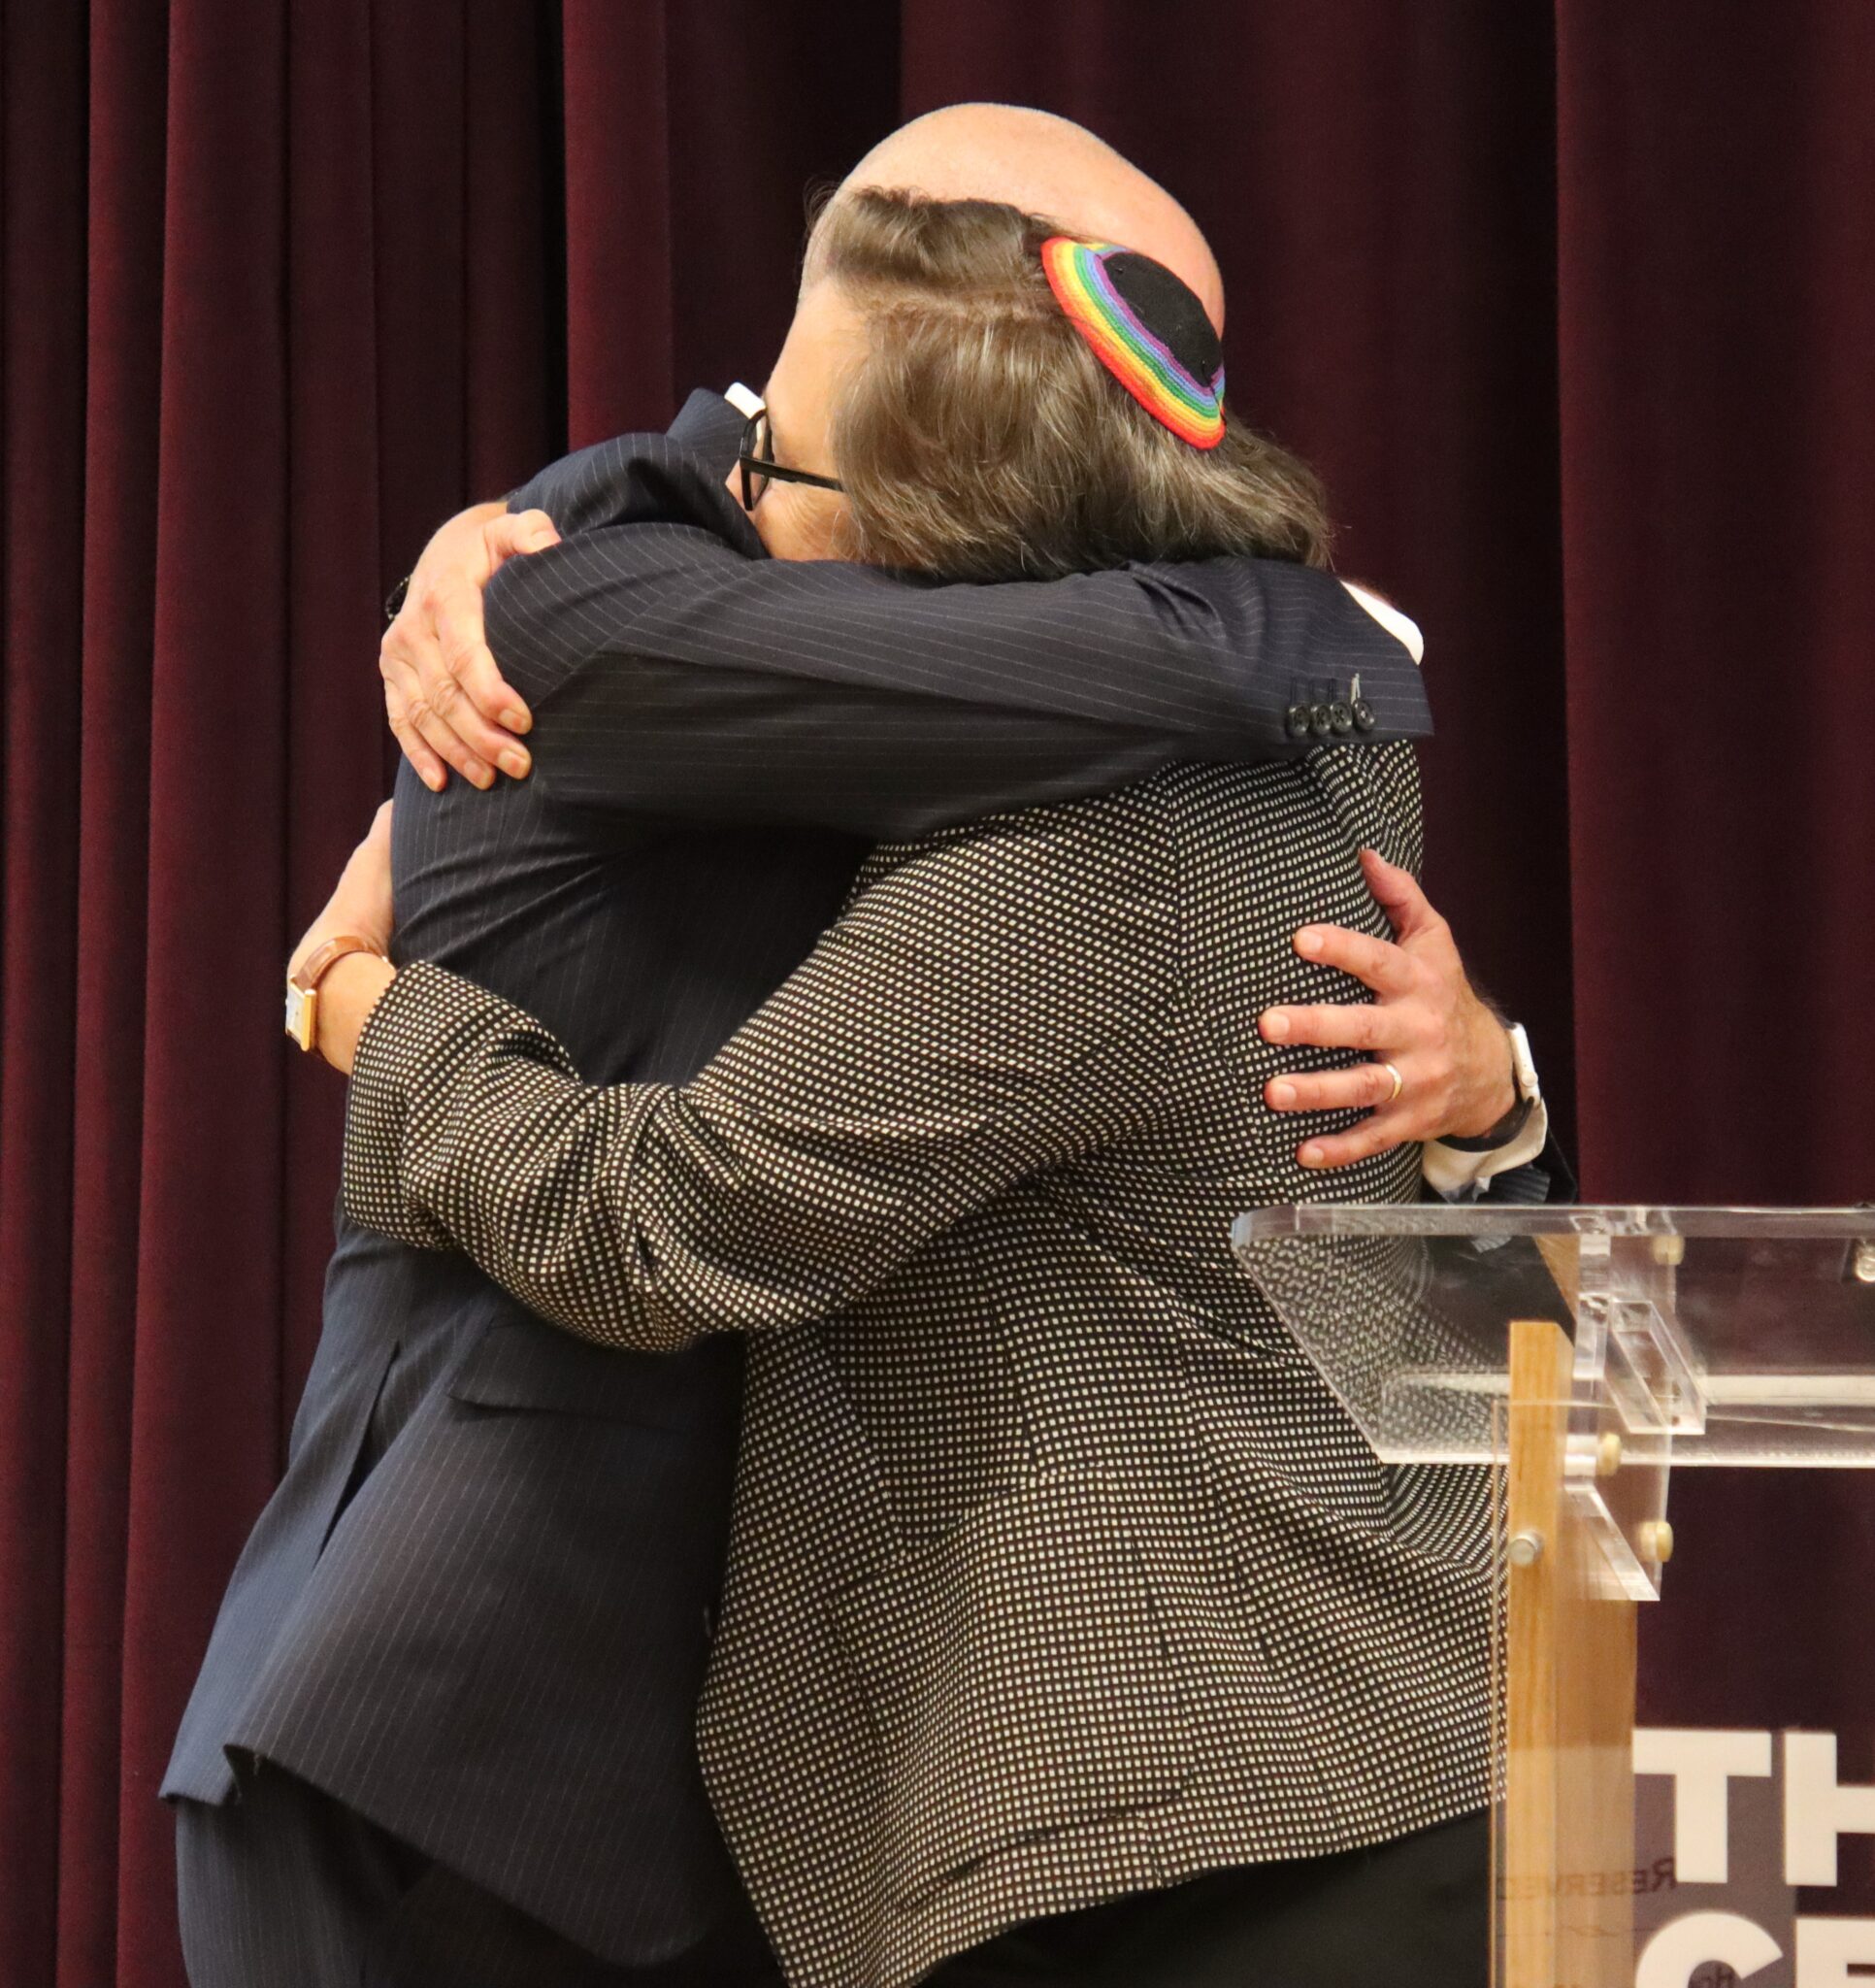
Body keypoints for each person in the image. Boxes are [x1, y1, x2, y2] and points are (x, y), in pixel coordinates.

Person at [168, 109, 1550, 1988]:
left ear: (911, 526)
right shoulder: (1304, 755)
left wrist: (361, 1008)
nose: (736, 497)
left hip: (1208, 1801)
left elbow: (679, 1220)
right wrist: (1500, 1111)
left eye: (772, 455)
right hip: (1320, 1760)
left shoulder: (1107, 830)